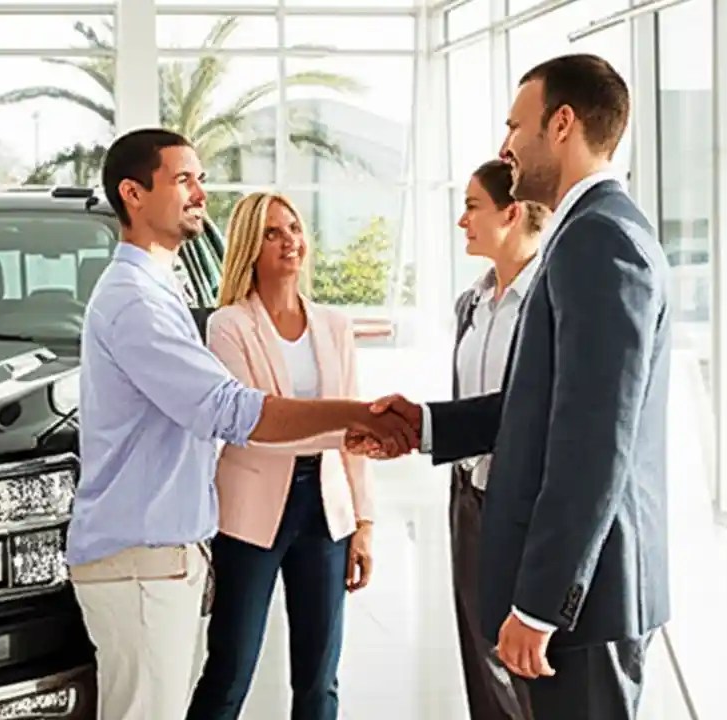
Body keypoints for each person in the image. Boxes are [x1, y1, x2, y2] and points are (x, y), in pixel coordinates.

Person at [350, 53, 671, 720]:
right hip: (585, 595)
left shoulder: (598, 239)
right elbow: (545, 405)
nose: (505, 146)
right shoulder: (584, 234)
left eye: (514, 125)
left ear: (561, 124)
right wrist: (428, 425)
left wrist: (542, 603)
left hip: (586, 600)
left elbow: (593, 443)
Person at [65, 128, 416, 720]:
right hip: (144, 557)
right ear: (133, 193)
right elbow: (231, 411)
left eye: (200, 178)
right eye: (184, 180)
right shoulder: (137, 302)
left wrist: (361, 508)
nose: (201, 192)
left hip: (163, 553)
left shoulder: (157, 288)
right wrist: (359, 416)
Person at [186, 192, 375, 720]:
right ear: (249, 246)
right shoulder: (228, 326)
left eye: (293, 228)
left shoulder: (335, 326)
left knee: (319, 678)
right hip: (250, 515)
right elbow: (253, 426)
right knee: (231, 668)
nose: (290, 240)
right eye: (272, 232)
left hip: (325, 508)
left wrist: (363, 521)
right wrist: (342, 427)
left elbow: (354, 435)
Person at [446, 159, 550, 719]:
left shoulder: (548, 302)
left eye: (472, 206)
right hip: (470, 497)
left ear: (510, 213)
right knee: (479, 652)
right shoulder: (471, 304)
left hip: (524, 506)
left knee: (527, 661)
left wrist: (424, 427)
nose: (462, 220)